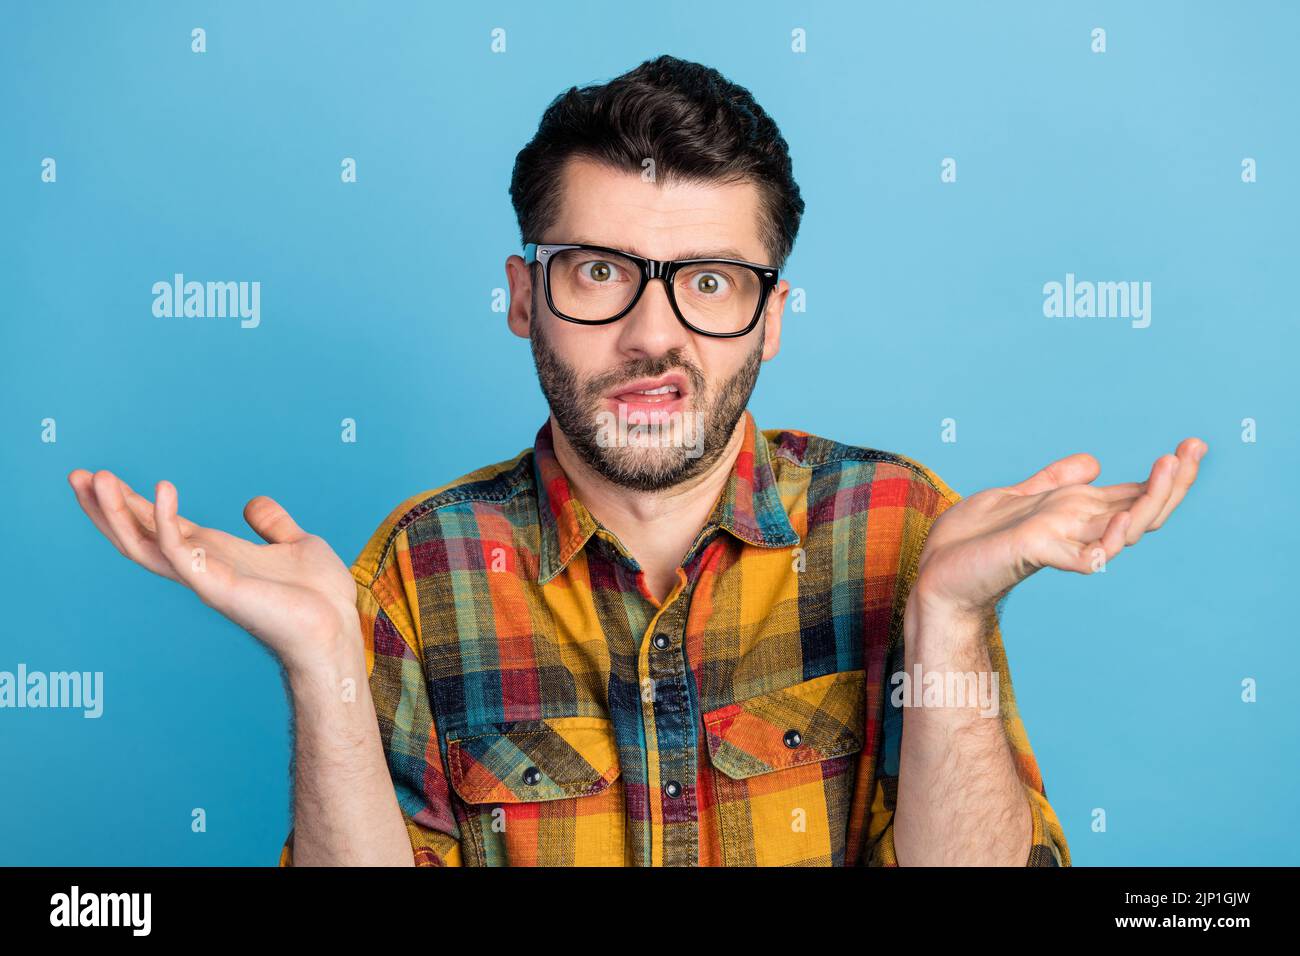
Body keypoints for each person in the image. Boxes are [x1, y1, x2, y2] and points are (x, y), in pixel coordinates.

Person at [68, 55, 1204, 866]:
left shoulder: (899, 524)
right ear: (525, 299)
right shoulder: (417, 572)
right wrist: (323, 667)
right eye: (600, 272)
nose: (654, 334)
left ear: (771, 318)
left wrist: (949, 614)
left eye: (710, 282)